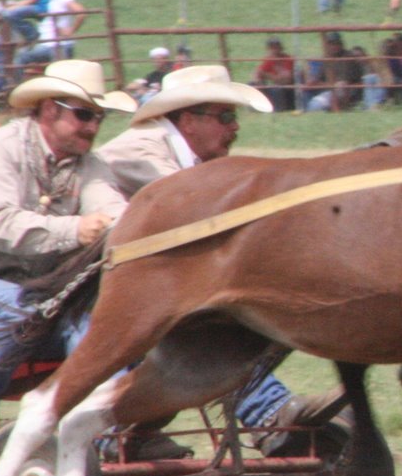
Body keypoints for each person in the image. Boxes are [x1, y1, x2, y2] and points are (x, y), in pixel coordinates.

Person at [96, 64, 338, 448]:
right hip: (93, 286)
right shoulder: (139, 151)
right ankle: (270, 413)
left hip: (139, 282)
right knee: (213, 323)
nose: (234, 127)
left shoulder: (191, 159)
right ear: (189, 120)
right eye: (226, 116)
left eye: (234, 117)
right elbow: (196, 211)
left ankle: (267, 414)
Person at [0, 60, 134, 469]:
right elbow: (2, 225)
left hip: (42, 292)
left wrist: (125, 227)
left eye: (98, 117)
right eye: (84, 115)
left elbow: (112, 210)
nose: (93, 127)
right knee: (13, 308)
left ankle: (107, 438)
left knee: (100, 322)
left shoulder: (91, 166)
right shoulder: (0, 149)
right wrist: (77, 230)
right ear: (50, 110)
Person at [18, 0, 85, 65]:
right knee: (22, 56)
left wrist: (71, 31)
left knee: (59, 72)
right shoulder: (38, 3)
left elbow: (81, 12)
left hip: (61, 44)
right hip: (45, 45)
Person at [304, 31, 363, 112]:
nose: (333, 46)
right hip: (328, 89)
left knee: (316, 105)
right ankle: (303, 110)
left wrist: (324, 84)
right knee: (306, 88)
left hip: (347, 90)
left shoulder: (348, 57)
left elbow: (343, 82)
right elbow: (320, 77)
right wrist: (313, 81)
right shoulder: (327, 58)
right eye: (331, 44)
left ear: (341, 44)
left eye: (336, 43)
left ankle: (334, 110)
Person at [248, 37, 296, 112]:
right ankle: (256, 108)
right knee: (252, 85)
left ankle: (277, 109)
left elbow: (287, 80)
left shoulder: (288, 59)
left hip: (288, 90)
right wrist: (258, 81)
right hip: (276, 86)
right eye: (272, 47)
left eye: (276, 46)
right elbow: (258, 73)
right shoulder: (269, 60)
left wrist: (268, 76)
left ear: (281, 48)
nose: (274, 49)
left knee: (276, 88)